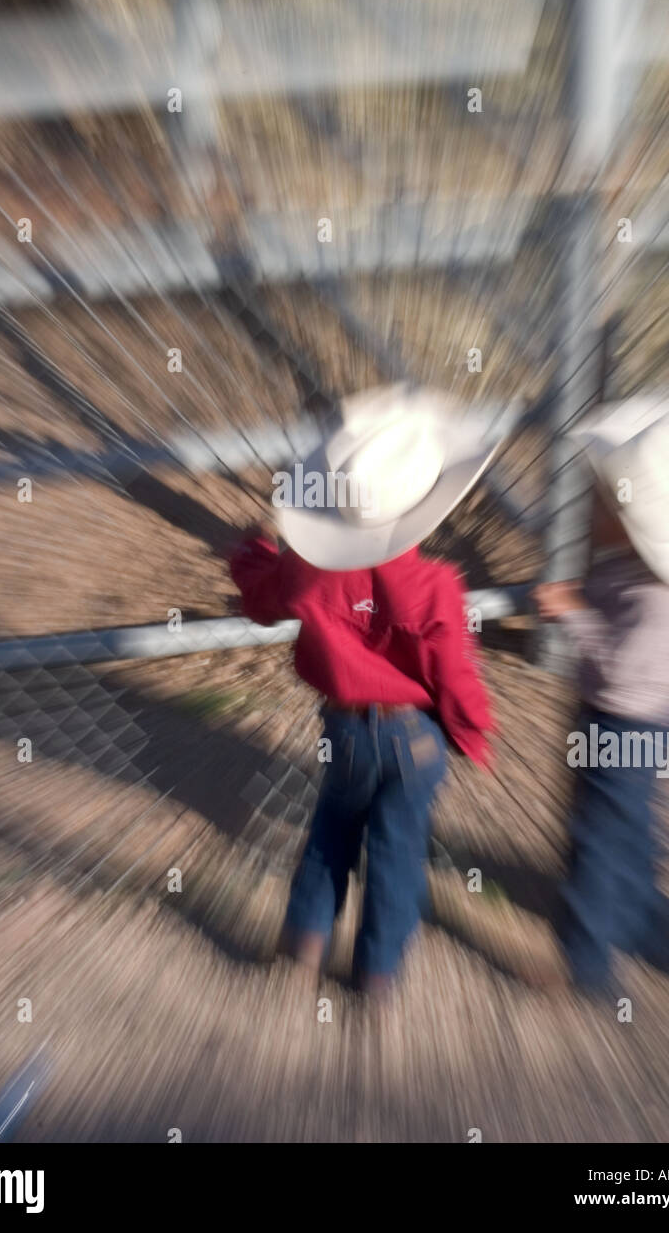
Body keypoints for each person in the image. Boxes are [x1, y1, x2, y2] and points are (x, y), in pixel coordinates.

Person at [230, 384, 499, 996]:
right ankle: (376, 975)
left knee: (333, 827)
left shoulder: (308, 570)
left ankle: (302, 944)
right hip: (418, 734)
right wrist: (471, 731)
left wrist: (250, 553)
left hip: (346, 728)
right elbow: (454, 675)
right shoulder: (437, 586)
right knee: (399, 851)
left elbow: (262, 600)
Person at [534, 403, 669, 995]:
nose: (592, 506)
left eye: (605, 499)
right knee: (637, 828)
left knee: (599, 838)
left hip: (622, 724)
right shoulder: (651, 573)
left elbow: (623, 667)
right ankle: (646, 925)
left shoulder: (656, 592)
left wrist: (574, 613)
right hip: (660, 721)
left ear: (633, 523)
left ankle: (585, 965)